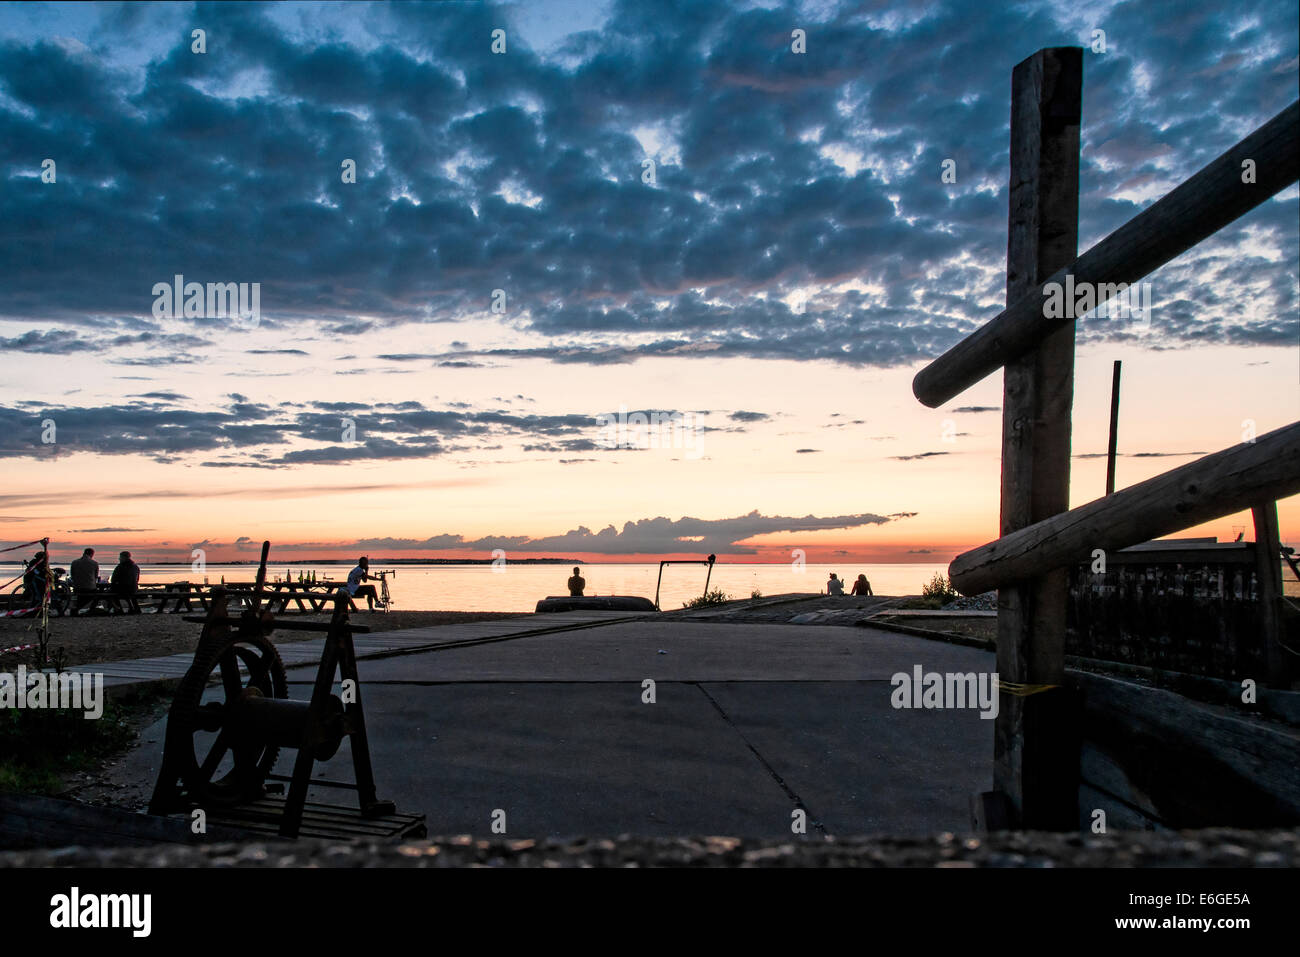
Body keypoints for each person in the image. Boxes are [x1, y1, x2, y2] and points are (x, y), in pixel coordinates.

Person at [70, 547, 100, 614]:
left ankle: (77, 608)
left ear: (84, 553)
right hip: (90, 588)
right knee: (98, 595)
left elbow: (72, 575)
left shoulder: (74, 562)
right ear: (92, 554)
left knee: (81, 596)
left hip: (77, 587)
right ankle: (90, 610)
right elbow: (95, 576)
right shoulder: (94, 563)